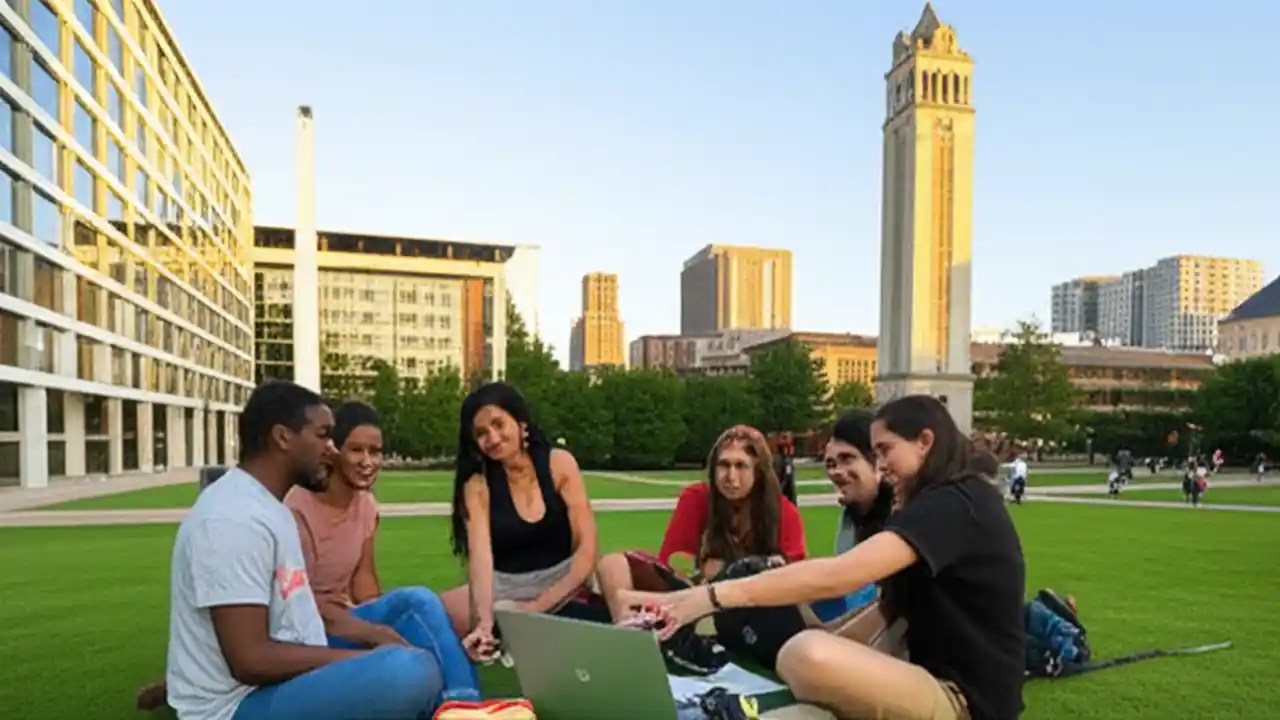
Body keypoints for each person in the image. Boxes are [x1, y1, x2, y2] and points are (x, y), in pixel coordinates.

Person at [620, 395, 1026, 720]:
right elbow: (887, 612)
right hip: (919, 680)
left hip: (965, 704)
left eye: (884, 451)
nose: (881, 466)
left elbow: (841, 575)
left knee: (805, 655)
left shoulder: (959, 501)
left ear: (925, 441)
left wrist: (708, 598)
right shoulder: (929, 506)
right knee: (806, 697)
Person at [166, 381, 445, 720]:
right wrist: (363, 660)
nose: (332, 449)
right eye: (323, 435)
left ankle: (466, 707)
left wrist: (370, 637)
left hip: (294, 669)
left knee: (412, 613)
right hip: (240, 705)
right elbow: (250, 661)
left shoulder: (271, 507)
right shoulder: (232, 520)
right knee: (408, 672)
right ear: (283, 438)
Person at [285, 401, 527, 717]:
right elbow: (296, 603)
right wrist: (376, 634)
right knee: (416, 605)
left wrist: (396, 628)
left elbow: (365, 587)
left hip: (346, 618)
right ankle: (467, 705)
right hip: (306, 631)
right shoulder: (298, 507)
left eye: (375, 451)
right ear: (333, 451)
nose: (368, 461)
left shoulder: (366, 505)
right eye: (356, 450)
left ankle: (460, 704)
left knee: (419, 612)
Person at [442, 382, 602, 652]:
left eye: (498, 424)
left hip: (564, 581)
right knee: (434, 611)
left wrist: (537, 608)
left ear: (520, 422)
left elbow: (586, 550)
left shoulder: (559, 464)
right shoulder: (478, 486)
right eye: (481, 433)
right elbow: (481, 560)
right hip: (507, 592)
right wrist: (483, 622)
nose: (492, 438)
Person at [595, 424, 807, 622]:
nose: (731, 477)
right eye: (724, 465)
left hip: (755, 605)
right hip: (694, 596)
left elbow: (795, 584)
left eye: (741, 466)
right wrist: (701, 574)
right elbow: (675, 563)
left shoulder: (784, 513)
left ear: (758, 472)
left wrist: (730, 572)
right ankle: (626, 625)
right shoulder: (696, 498)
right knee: (612, 563)